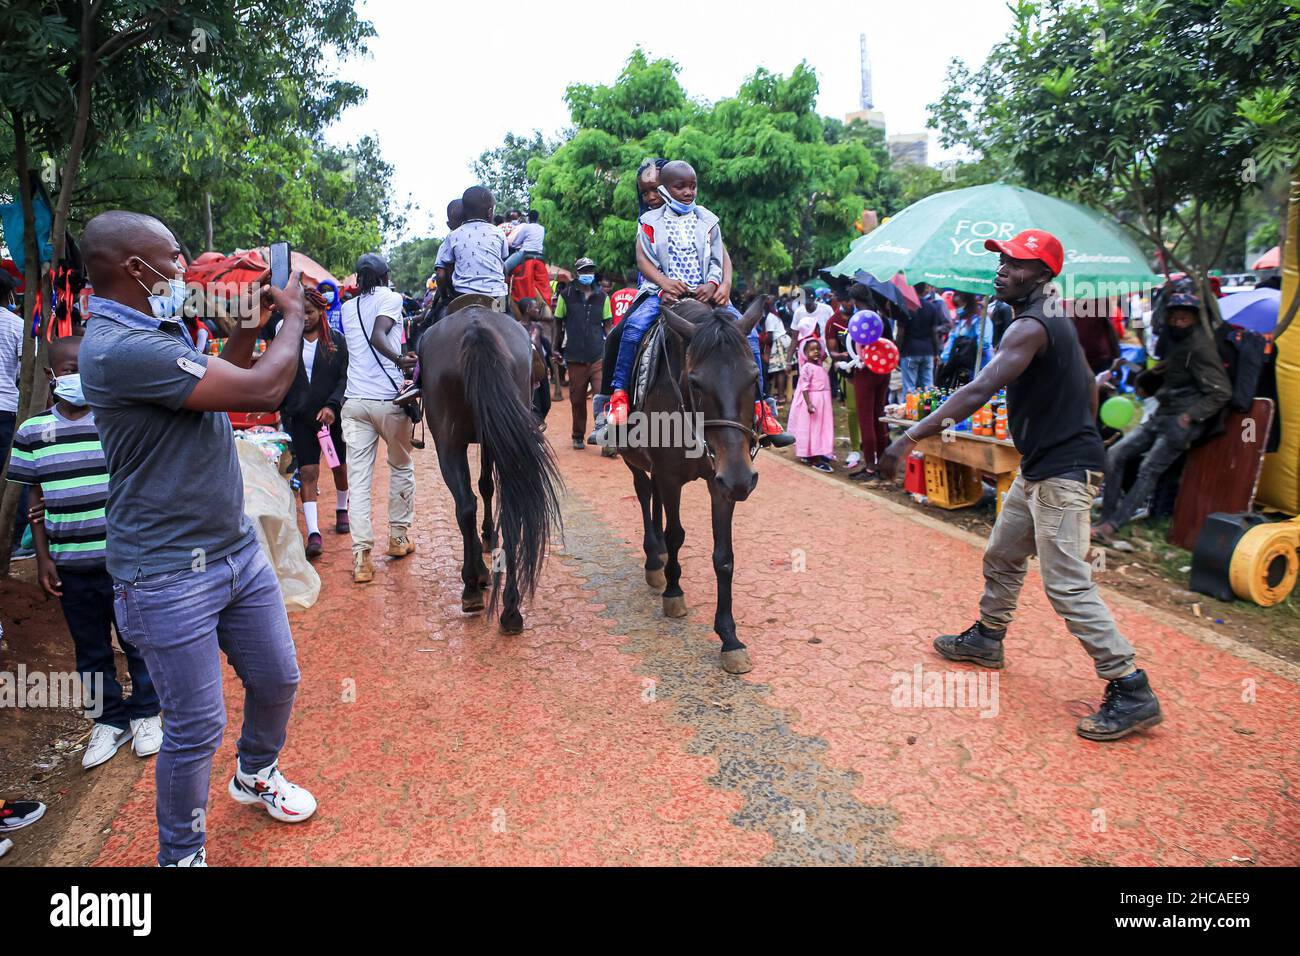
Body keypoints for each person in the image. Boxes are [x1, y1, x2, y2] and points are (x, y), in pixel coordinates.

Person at [79, 210, 316, 867]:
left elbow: (217, 388)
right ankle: (181, 855)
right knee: (195, 727)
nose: (185, 269)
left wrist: (244, 335)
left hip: (233, 549)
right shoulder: (119, 346)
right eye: (176, 257)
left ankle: (255, 773)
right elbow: (265, 388)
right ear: (136, 267)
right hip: (165, 573)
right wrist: (291, 319)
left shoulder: (154, 326)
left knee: (277, 680)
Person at [878, 228, 1163, 742]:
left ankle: (1130, 686)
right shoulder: (1044, 318)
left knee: (1068, 585)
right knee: (1003, 554)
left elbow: (981, 386)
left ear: (1043, 275)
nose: (1003, 268)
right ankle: (987, 638)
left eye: (1017, 262)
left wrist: (909, 439)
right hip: (1042, 465)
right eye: (1002, 259)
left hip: (1064, 472)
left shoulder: (1033, 325)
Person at [7, 334, 163, 769]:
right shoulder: (33, 433)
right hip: (71, 563)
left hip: (125, 560)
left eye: (83, 368)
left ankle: (146, 712)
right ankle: (107, 720)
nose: (75, 376)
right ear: (49, 376)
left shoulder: (114, 423)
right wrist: (43, 557)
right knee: (90, 648)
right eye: (67, 369)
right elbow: (33, 501)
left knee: (135, 639)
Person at [604, 161, 788, 444]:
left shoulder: (707, 219)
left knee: (748, 334)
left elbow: (719, 257)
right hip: (663, 294)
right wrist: (664, 284)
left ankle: (760, 405)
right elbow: (644, 261)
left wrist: (717, 284)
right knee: (630, 330)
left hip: (706, 294)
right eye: (647, 192)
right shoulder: (649, 222)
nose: (688, 192)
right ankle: (619, 396)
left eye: (692, 186)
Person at [1093, 290, 1231, 542]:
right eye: (1175, 318)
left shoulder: (1201, 347)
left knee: (1148, 470)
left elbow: (1221, 391)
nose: (1178, 323)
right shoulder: (1178, 343)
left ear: (1194, 319)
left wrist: (1190, 416)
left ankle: (1112, 525)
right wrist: (1163, 370)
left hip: (1181, 420)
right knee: (1115, 454)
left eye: (1184, 319)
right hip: (1163, 412)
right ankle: (1106, 517)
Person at [339, 252, 418, 584]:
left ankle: (361, 559)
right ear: (386, 276)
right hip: (388, 401)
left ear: (358, 279)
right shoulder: (390, 297)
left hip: (354, 402)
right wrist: (401, 361)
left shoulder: (345, 308)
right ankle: (398, 538)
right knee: (401, 466)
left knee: (358, 482)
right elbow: (378, 334)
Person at [279, 288, 350, 557]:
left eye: (309, 312)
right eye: (301, 312)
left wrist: (332, 406)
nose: (305, 317)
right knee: (308, 472)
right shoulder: (288, 341)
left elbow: (345, 378)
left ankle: (342, 509)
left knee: (339, 467)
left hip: (331, 420)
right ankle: (313, 532)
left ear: (321, 311)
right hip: (301, 417)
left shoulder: (337, 341)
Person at [554, 257, 610, 449]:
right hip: (575, 356)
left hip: (597, 355)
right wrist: (556, 347)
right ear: (577, 273)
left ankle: (605, 439)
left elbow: (608, 326)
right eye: (584, 271)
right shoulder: (566, 295)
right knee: (577, 399)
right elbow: (557, 323)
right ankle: (578, 435)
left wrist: (611, 349)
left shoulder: (603, 297)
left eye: (590, 270)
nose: (588, 274)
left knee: (601, 395)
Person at [842, 285, 893, 479]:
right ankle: (881, 461)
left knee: (865, 419)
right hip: (883, 370)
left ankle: (870, 466)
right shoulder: (883, 318)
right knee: (878, 416)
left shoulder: (858, 320)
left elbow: (855, 349)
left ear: (854, 300)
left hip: (865, 372)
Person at [789, 338, 834, 472]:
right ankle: (814, 457)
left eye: (818, 349)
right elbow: (804, 387)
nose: (816, 352)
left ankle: (818, 452)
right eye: (812, 350)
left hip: (823, 402)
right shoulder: (807, 367)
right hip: (814, 402)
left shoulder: (820, 366)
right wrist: (809, 404)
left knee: (821, 428)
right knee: (814, 429)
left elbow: (828, 360)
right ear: (805, 353)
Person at [896, 288, 943, 395]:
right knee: (928, 386)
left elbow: (900, 333)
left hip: (909, 354)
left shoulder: (905, 307)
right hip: (928, 353)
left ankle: (909, 410)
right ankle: (930, 410)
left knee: (909, 387)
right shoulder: (932, 307)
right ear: (924, 290)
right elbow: (934, 332)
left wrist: (897, 350)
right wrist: (936, 353)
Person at [506, 210, 551, 308]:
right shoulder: (542, 228)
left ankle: (503, 298)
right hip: (539, 256)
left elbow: (515, 242)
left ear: (528, 218)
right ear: (537, 218)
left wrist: (515, 244)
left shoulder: (525, 227)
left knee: (504, 268)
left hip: (525, 253)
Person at [1, 270, 22, 470]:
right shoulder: (17, 325)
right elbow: (27, 370)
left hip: (6, 406)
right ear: (9, 294)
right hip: (6, 408)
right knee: (9, 471)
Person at [791, 287, 832, 352]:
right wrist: (788, 360)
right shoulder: (798, 312)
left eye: (809, 303)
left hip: (826, 350)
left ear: (815, 299)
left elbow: (833, 330)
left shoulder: (827, 309)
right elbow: (794, 338)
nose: (807, 305)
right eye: (805, 303)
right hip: (806, 352)